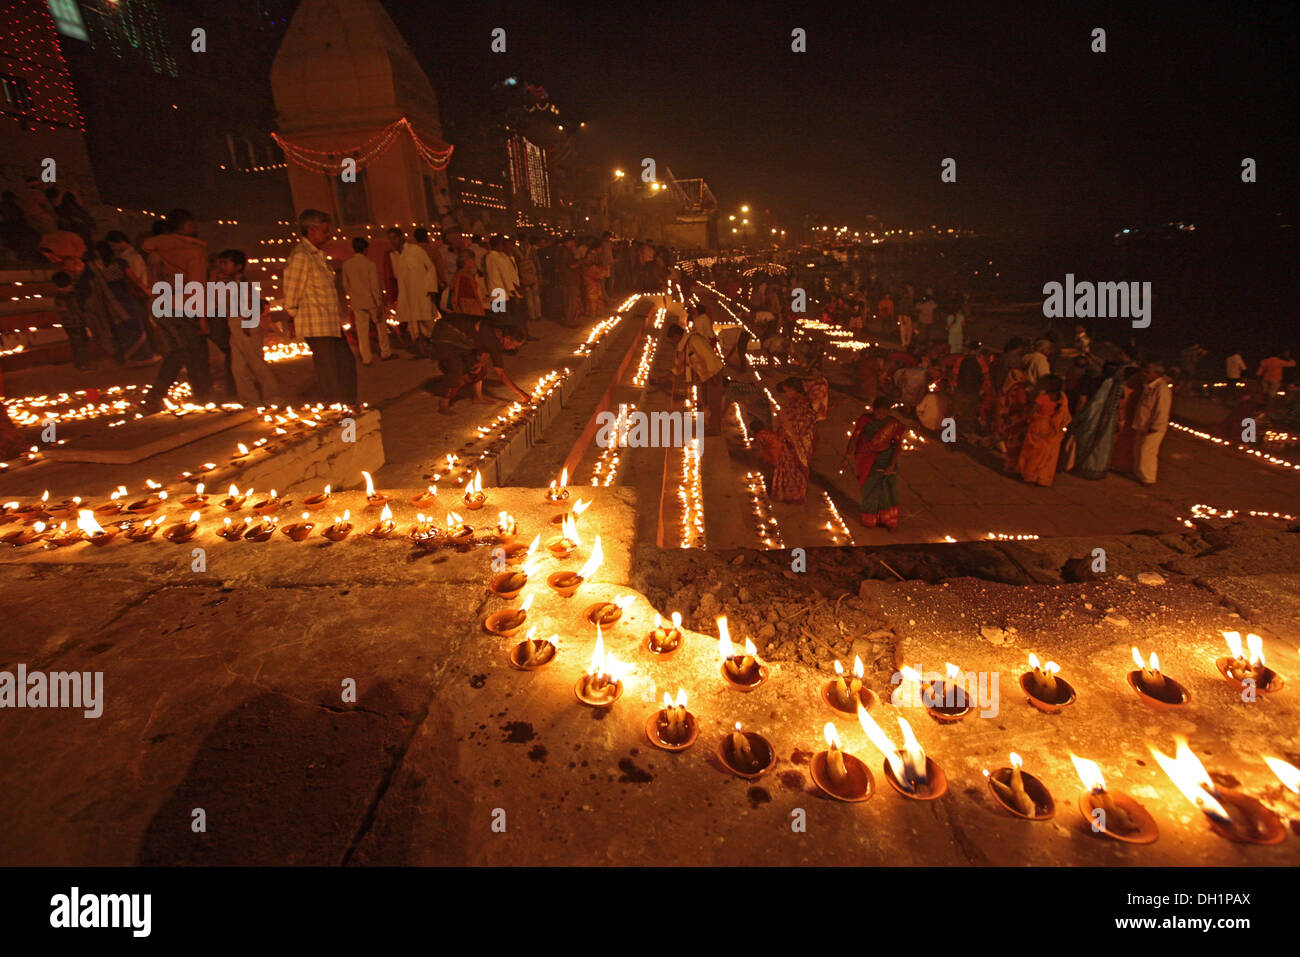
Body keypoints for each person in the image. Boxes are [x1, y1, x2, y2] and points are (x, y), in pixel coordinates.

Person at [283, 209, 357, 406]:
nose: (328, 234)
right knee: (329, 370)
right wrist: (293, 315)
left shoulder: (317, 255)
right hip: (316, 324)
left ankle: (349, 403)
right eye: (325, 230)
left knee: (345, 363)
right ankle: (336, 408)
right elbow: (292, 290)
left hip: (329, 322)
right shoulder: (301, 256)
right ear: (312, 229)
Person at [140, 209, 212, 407]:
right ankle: (204, 395)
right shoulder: (193, 251)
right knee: (195, 352)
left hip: (160, 304)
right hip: (184, 306)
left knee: (178, 351)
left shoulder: (155, 250)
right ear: (185, 226)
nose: (195, 227)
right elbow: (197, 285)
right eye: (192, 223)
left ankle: (155, 397)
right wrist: (203, 318)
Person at [216, 249, 281, 406]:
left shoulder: (241, 282)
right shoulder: (227, 283)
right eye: (221, 263)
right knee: (238, 367)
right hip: (235, 327)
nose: (223, 266)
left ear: (238, 266)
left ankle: (273, 396)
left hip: (245, 325)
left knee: (256, 363)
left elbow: (248, 304)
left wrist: (246, 322)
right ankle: (249, 399)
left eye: (226, 263)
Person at [849, 395, 906, 529]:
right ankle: (869, 519)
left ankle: (887, 520)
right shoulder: (865, 420)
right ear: (873, 410)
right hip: (867, 458)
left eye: (885, 413)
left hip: (887, 458)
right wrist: (847, 455)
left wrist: (892, 464)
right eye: (879, 413)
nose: (882, 416)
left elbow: (898, 445)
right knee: (870, 488)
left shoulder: (893, 423)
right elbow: (855, 437)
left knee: (888, 490)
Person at [1069, 361, 1133, 479]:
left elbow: (1083, 401)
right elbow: (1121, 406)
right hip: (1107, 421)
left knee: (1085, 440)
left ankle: (1080, 466)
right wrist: (1121, 421)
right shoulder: (1117, 386)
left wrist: (1078, 416)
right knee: (1102, 445)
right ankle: (1096, 469)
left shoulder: (1096, 381)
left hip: (1091, 417)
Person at [766, 376, 819, 504]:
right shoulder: (797, 402)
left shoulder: (801, 404)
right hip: (792, 439)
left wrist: (784, 419)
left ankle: (794, 495)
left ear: (796, 390)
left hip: (798, 441)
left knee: (795, 467)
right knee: (789, 466)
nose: (787, 394)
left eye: (788, 391)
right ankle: (789, 494)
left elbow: (800, 423)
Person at [667, 321, 725, 436]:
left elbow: (708, 357)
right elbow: (679, 367)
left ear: (677, 336)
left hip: (714, 373)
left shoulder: (694, 341)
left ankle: (715, 429)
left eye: (672, 339)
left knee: (714, 401)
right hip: (705, 376)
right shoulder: (685, 346)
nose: (673, 342)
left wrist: (713, 376)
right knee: (705, 400)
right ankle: (709, 424)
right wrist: (664, 378)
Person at [342, 237, 393, 365]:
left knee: (361, 330)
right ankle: (385, 352)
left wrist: (352, 295)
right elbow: (375, 286)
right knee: (380, 327)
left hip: (357, 301)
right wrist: (379, 302)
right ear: (365, 249)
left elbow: (345, 284)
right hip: (371, 300)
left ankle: (366, 358)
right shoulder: (370, 265)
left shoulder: (347, 265)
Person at [1018, 374, 1072, 486]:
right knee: (1047, 455)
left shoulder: (1042, 397)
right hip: (1054, 429)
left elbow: (1031, 411)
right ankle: (1043, 478)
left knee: (1033, 452)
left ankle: (1030, 477)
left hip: (1039, 425)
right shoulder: (1063, 398)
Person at [388, 227, 437, 348]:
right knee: (414, 321)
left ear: (401, 237)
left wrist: (431, 288)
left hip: (422, 293)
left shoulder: (415, 250)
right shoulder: (395, 256)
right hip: (408, 295)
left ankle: (436, 344)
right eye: (390, 239)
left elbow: (430, 268)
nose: (392, 241)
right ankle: (422, 347)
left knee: (427, 321)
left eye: (394, 238)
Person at [1130, 362, 1173, 485]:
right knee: (1138, 449)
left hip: (1153, 427)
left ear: (1155, 374)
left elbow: (1162, 409)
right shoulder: (1149, 386)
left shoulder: (1162, 389)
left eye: (1148, 371)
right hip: (1143, 423)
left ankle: (1148, 478)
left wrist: (1155, 426)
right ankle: (1138, 473)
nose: (1145, 374)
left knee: (1147, 451)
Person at [993, 368, 1031, 472]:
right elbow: (1021, 403)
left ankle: (1008, 464)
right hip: (1016, 418)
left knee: (1010, 442)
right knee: (1016, 444)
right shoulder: (1019, 389)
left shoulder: (1007, 386)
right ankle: (1012, 466)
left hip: (1007, 416)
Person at [557, 235, 584, 326]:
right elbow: (570, 265)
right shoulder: (565, 251)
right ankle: (570, 321)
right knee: (570, 302)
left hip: (568, 279)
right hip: (570, 280)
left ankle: (570, 319)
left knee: (569, 301)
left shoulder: (563, 250)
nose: (573, 243)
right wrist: (579, 262)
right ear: (568, 242)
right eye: (572, 241)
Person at [517, 233, 542, 326]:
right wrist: (539, 274)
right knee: (536, 296)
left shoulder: (516, 250)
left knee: (528, 297)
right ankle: (538, 314)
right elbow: (536, 262)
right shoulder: (531, 249)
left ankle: (532, 316)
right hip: (533, 275)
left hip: (524, 277)